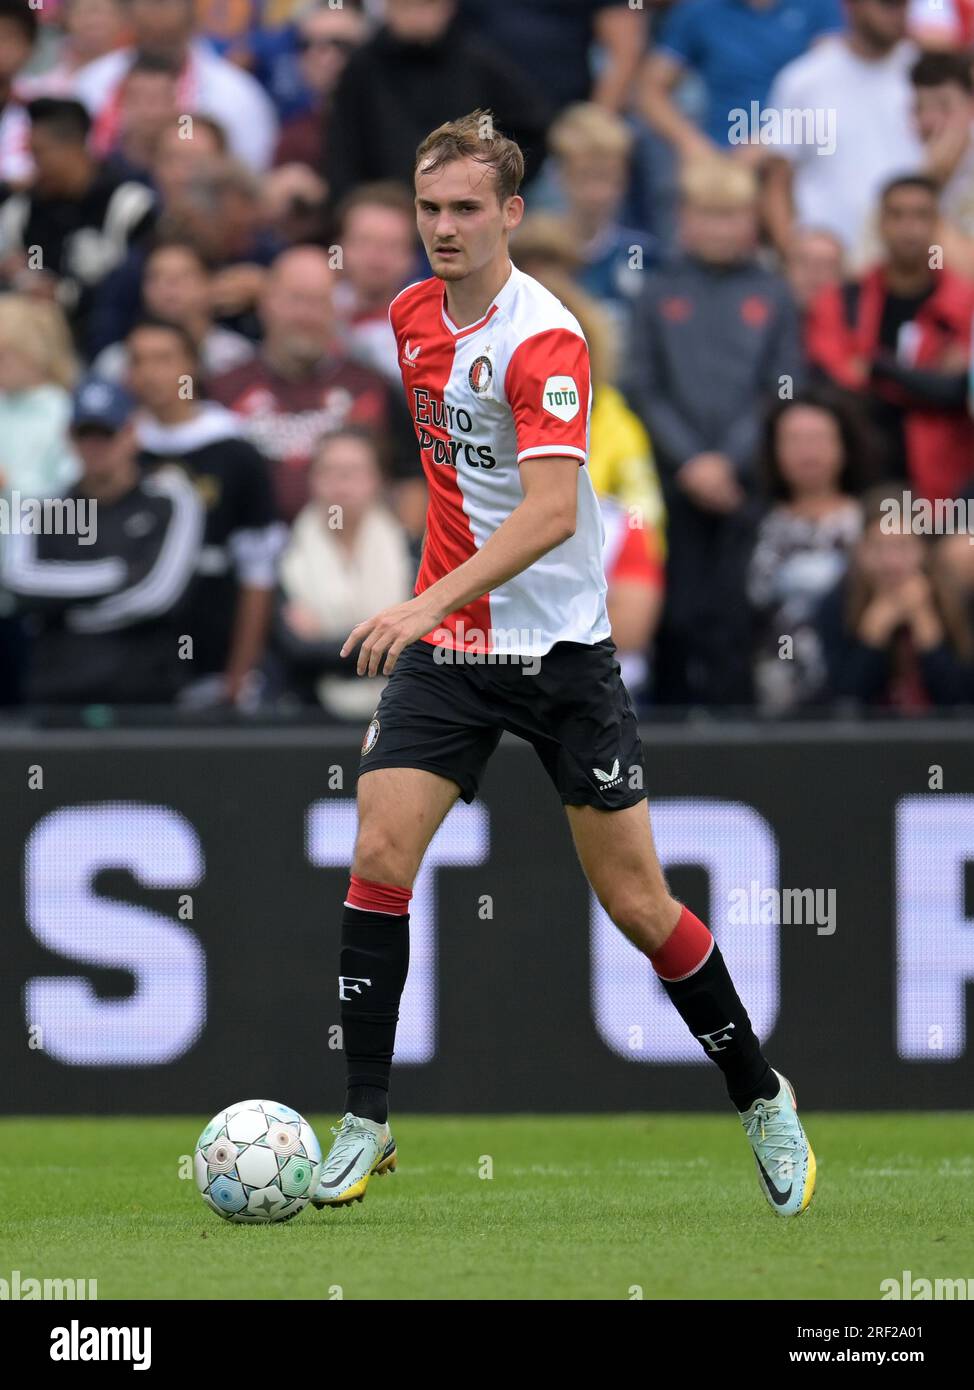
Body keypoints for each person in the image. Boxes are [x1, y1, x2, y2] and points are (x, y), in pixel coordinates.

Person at [308, 109, 816, 1221]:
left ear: (511, 215)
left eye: (462, 209)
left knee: (637, 902)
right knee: (378, 852)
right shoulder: (405, 314)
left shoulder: (546, 340)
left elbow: (544, 514)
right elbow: (454, 478)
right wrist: (424, 639)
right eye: (426, 207)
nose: (440, 227)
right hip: (449, 650)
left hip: (559, 652)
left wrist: (418, 600)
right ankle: (364, 1121)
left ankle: (757, 1090)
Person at [625, 157, 804, 707]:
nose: (722, 228)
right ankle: (666, 739)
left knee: (737, 612)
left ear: (752, 220)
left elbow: (784, 385)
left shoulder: (773, 293)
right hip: (670, 485)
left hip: (748, 485)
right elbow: (641, 387)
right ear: (685, 218)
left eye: (733, 215)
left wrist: (728, 459)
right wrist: (691, 461)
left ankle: (740, 737)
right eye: (709, 214)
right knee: (674, 613)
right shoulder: (656, 291)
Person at [1, 375, 204, 705]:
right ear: (69, 438)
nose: (95, 447)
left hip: (149, 694)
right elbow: (17, 581)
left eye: (106, 435)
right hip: (58, 693)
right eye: (85, 435)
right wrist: (116, 573)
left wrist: (76, 613)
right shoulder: (42, 510)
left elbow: (159, 595)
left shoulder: (168, 498)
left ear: (131, 434)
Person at [208, 245, 423, 535]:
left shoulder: (374, 388)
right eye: (296, 300)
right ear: (266, 303)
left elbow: (412, 480)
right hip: (252, 564)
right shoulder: (223, 390)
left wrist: (402, 553)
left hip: (351, 563)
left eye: (319, 302)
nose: (306, 316)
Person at [129, 318, 285, 708]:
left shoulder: (235, 450)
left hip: (216, 650)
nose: (150, 373)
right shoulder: (120, 448)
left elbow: (259, 570)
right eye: (138, 361)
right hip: (134, 666)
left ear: (192, 366)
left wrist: (240, 672)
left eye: (164, 359)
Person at [806, 175, 974, 504]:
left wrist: (877, 367)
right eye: (897, 215)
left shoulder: (966, 301)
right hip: (859, 480)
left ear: (938, 224)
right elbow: (836, 386)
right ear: (880, 223)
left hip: (946, 483)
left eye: (921, 215)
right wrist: (926, 382)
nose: (908, 228)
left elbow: (958, 390)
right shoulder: (842, 300)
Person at [324, 0, 549, 204]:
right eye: (407, 5)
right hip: (385, 216)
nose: (417, 14)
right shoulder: (363, 68)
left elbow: (531, 130)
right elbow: (342, 149)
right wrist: (354, 207)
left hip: (465, 207)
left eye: (427, 5)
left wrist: (492, 187)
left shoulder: (480, 65)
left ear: (448, 7)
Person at [275, 426, 415, 718]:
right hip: (308, 714)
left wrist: (326, 642)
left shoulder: (411, 552)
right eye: (329, 471)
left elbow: (417, 648)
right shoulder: (283, 553)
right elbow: (294, 651)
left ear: (379, 480)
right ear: (312, 480)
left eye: (353, 471)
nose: (341, 482)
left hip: (398, 712)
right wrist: (384, 639)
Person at [747, 391, 866, 713]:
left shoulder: (872, 521)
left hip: (859, 698)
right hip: (770, 701)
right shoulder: (749, 525)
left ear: (844, 445)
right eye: (794, 440)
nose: (807, 452)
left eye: (818, 438)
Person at [0, 96, 157, 335]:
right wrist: (17, 276)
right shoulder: (21, 210)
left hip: (116, 336)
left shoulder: (130, 205)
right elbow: (17, 271)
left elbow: (143, 286)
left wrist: (65, 294)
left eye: (39, 153)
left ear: (73, 147)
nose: (34, 166)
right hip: (40, 340)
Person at [815, 485, 974, 708]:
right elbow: (845, 702)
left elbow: (960, 702)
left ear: (924, 550)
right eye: (878, 548)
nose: (891, 563)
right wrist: (874, 632)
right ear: (861, 551)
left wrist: (925, 623)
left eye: (902, 547)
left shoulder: (958, 601)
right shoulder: (836, 605)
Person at [73, 0, 279, 172]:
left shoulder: (236, 94)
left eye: (164, 2)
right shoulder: (93, 81)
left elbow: (251, 170)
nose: (156, 12)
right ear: (128, 12)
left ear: (192, 11)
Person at [640, 0, 844, 161]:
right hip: (724, 163)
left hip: (796, 159)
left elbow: (833, 83)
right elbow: (649, 90)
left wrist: (770, 140)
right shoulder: (699, 10)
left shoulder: (821, 6)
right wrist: (692, 145)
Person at [544, 103, 657, 339]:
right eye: (584, 177)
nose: (598, 193)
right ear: (559, 176)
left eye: (608, 179)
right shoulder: (535, 253)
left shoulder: (643, 254)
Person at [91, 241, 256, 384]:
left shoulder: (238, 358)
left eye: (182, 276)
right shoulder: (116, 363)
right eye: (155, 277)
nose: (167, 287)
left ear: (210, 285)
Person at [332, 182, 420, 383]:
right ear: (339, 248)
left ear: (412, 259)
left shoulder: (429, 328)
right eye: (364, 241)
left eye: (392, 245)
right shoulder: (315, 305)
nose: (376, 256)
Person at [910, 51, 974, 281]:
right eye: (919, 108)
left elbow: (966, 275)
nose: (929, 121)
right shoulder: (903, 176)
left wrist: (925, 190)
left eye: (943, 107)